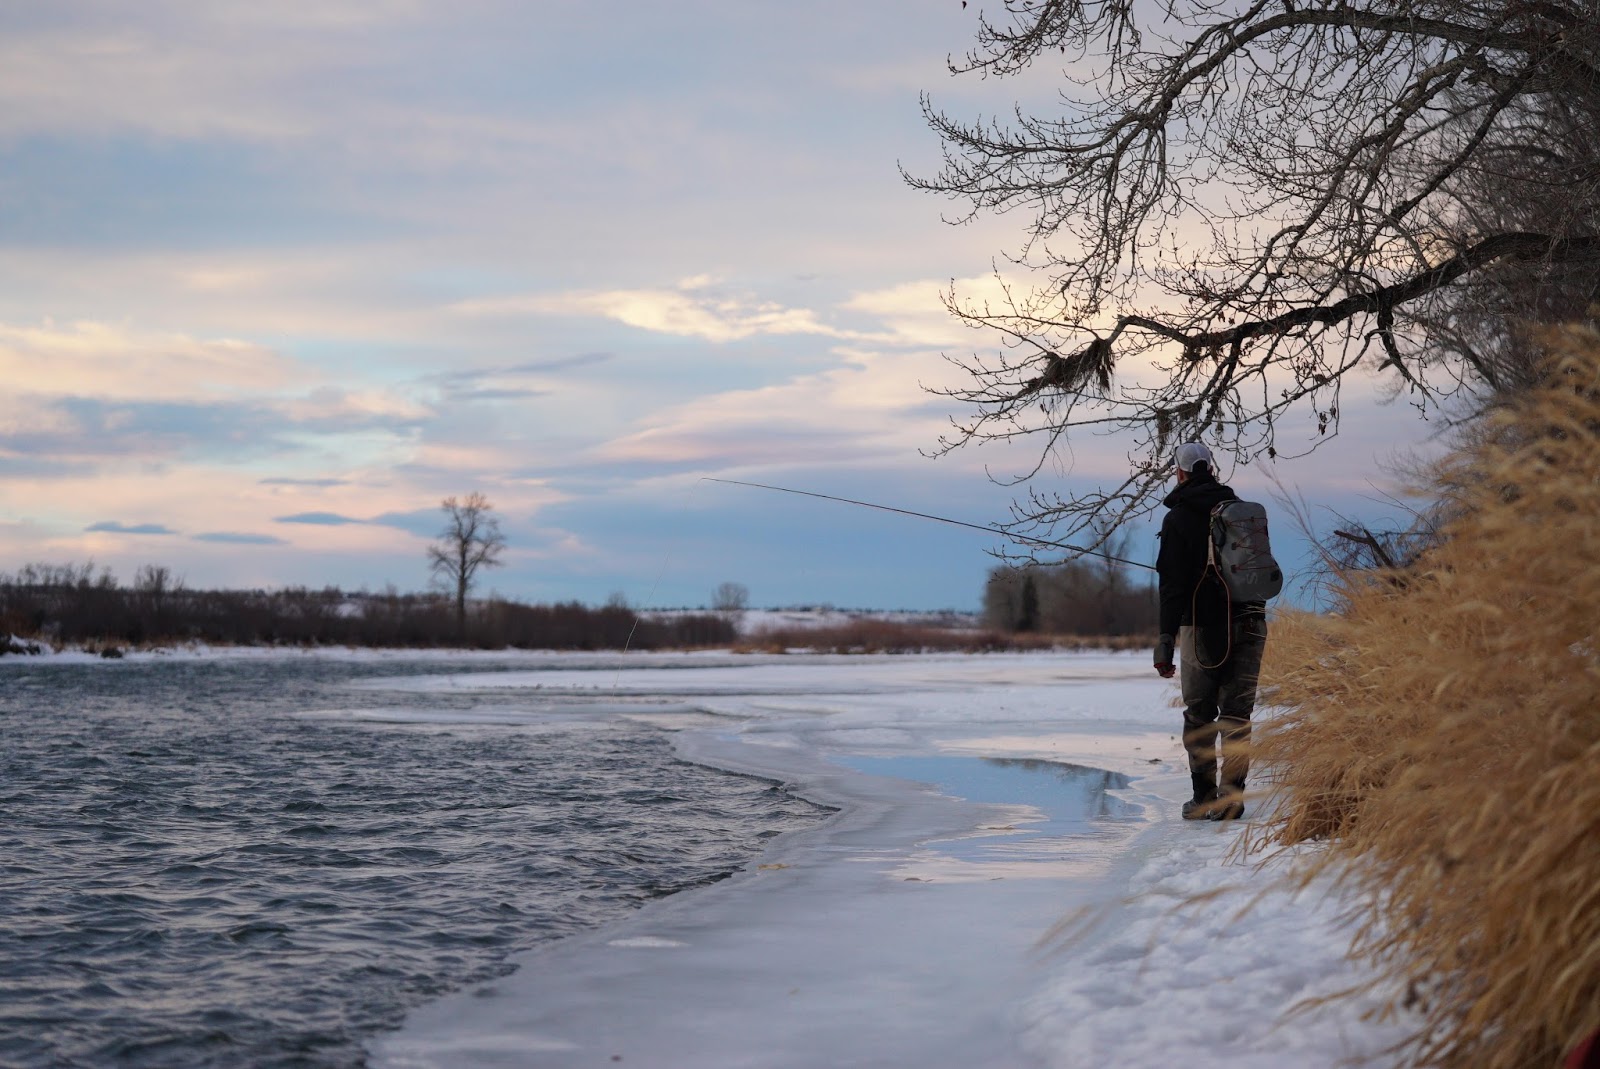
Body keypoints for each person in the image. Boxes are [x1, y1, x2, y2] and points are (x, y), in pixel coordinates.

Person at [1153, 442, 1268, 821]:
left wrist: (1165, 641)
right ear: (1211, 469)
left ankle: (1204, 798)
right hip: (1251, 621)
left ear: (1180, 472)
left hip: (1202, 627)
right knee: (1237, 714)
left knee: (1200, 713)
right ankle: (1231, 798)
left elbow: (1171, 587)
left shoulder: (1178, 519)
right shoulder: (1239, 513)